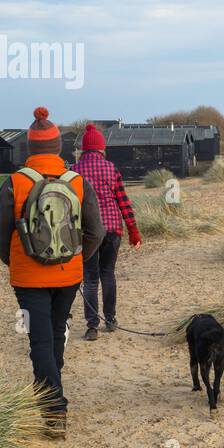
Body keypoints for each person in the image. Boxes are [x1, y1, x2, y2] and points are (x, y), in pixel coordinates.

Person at [0, 107, 104, 438]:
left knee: (38, 339)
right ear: (58, 148)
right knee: (55, 334)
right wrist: (77, 260)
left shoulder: (15, 183)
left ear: (29, 148)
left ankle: (54, 410)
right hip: (69, 274)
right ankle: (52, 384)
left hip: (28, 277)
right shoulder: (78, 183)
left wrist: (15, 262)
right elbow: (95, 232)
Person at [72, 124, 143, 341]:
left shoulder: (74, 171)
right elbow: (123, 202)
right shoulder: (111, 168)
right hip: (112, 229)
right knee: (108, 274)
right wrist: (133, 231)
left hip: (88, 231)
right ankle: (111, 319)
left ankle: (92, 326)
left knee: (91, 279)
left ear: (84, 149)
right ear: (102, 149)